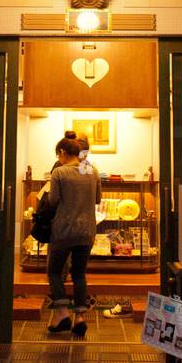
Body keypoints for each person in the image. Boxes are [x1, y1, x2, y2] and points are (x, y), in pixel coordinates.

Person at [45, 136, 101, 337]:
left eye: (58, 155)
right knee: (79, 274)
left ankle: (62, 314)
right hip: (87, 231)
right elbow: (97, 199)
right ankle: (80, 318)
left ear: (62, 152)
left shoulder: (59, 172)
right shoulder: (92, 170)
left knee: (53, 271)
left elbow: (53, 201)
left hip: (64, 231)